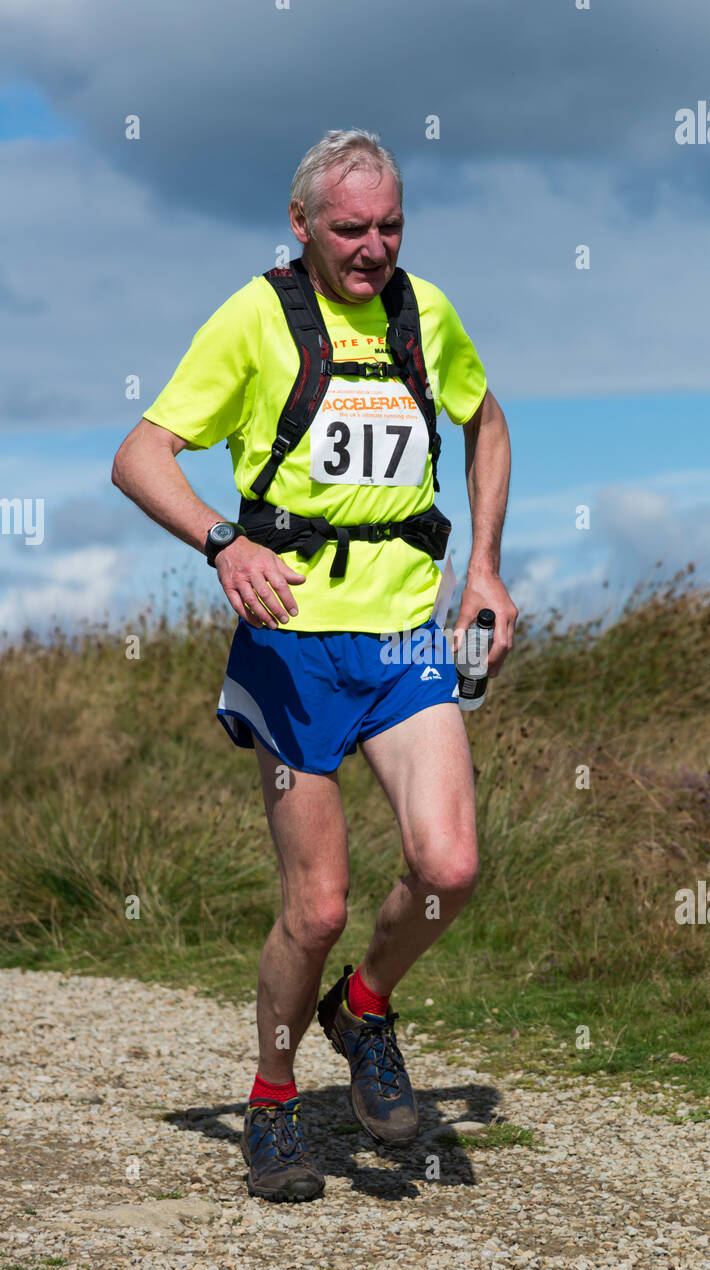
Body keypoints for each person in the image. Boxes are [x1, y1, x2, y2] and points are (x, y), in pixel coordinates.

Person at [112, 129, 518, 1202]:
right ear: (302, 226)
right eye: (351, 229)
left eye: (390, 226)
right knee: (318, 906)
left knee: (451, 866)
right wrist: (221, 540)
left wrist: (481, 568)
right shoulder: (255, 317)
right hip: (290, 650)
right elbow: (140, 453)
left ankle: (367, 1009)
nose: (373, 248)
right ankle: (276, 1094)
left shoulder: (424, 315)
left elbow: (486, 423)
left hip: (403, 640)